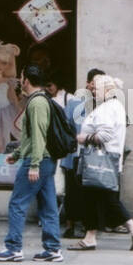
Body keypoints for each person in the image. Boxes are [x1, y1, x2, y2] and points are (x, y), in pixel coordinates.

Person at [0, 64, 64, 262]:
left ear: (27, 80)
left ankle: (13, 247)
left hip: (38, 160)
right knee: (48, 206)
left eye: (22, 77)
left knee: (17, 203)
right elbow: (31, 136)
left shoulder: (37, 103)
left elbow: (39, 136)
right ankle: (52, 249)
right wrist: (16, 154)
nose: (20, 81)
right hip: (45, 160)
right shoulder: (40, 101)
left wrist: (33, 165)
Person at [73, 74, 133, 251]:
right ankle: (92, 236)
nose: (93, 90)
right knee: (97, 198)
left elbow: (105, 135)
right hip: (106, 160)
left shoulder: (107, 108)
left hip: (99, 161)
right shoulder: (114, 106)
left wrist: (84, 138)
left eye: (96, 88)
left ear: (107, 90)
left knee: (104, 198)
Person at [47, 75, 86, 238]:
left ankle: (72, 225)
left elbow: (65, 126)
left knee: (72, 192)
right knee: (76, 192)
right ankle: (80, 225)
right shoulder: (77, 103)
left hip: (73, 154)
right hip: (77, 155)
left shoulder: (73, 102)